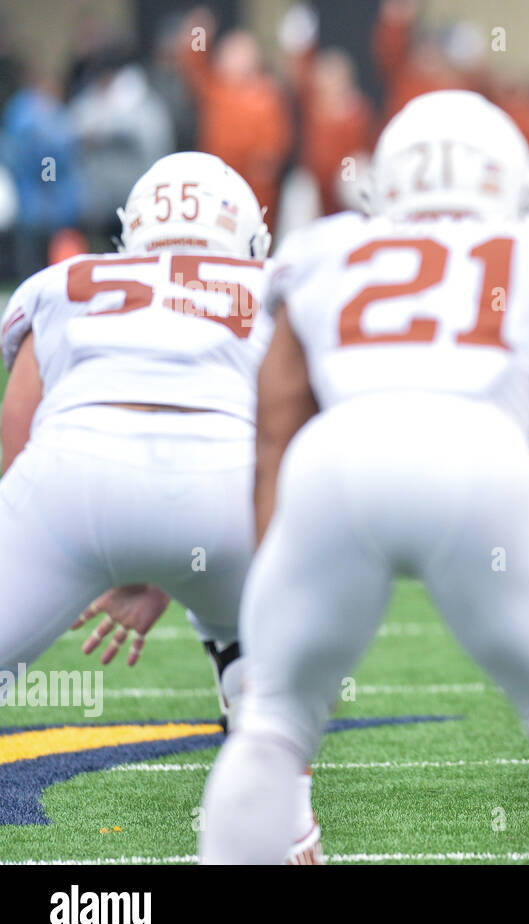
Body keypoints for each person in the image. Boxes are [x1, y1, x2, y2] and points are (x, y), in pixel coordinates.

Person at [198, 91, 529, 865]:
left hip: (335, 459)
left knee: (271, 722)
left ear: (384, 183)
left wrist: (278, 574)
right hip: (480, 454)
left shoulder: (324, 249)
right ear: (515, 183)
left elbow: (274, 431)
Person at [0, 151, 320, 863]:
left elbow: (16, 438)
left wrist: (96, 550)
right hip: (233, 484)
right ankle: (288, 818)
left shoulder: (66, 281)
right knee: (266, 656)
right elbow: (296, 440)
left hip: (70, 476)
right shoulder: (277, 286)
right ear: (246, 233)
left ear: (132, 232)